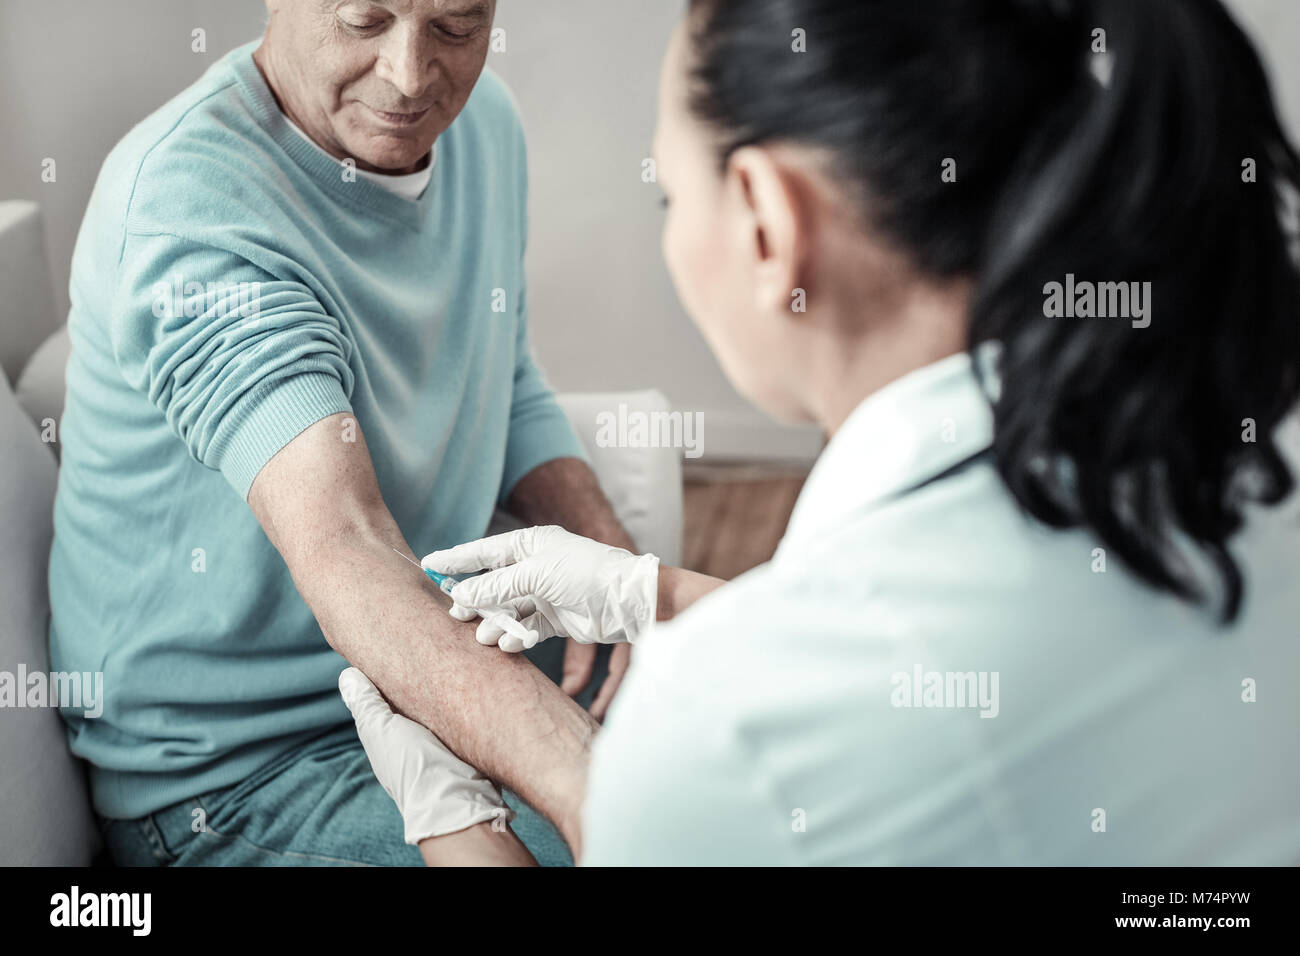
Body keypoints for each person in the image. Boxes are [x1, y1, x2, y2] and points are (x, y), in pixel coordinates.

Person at [343, 0, 1300, 865]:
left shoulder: (730, 744)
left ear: (767, 221)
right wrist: (654, 593)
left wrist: (457, 821)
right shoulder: (1247, 470)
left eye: (671, 196)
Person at [51, 0, 633, 868]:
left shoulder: (486, 130)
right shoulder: (188, 205)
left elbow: (502, 381)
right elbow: (346, 545)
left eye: (456, 26)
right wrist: (578, 779)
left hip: (432, 667)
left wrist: (610, 563)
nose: (409, 76)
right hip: (244, 773)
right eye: (365, 20)